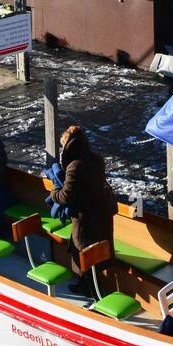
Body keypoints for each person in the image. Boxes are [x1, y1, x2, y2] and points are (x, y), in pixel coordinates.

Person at [49, 125, 117, 296]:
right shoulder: (97, 158)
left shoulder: (75, 166)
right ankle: (87, 285)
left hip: (86, 217)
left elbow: (66, 196)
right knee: (94, 249)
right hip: (101, 212)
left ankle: (91, 290)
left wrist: (53, 194)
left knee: (82, 251)